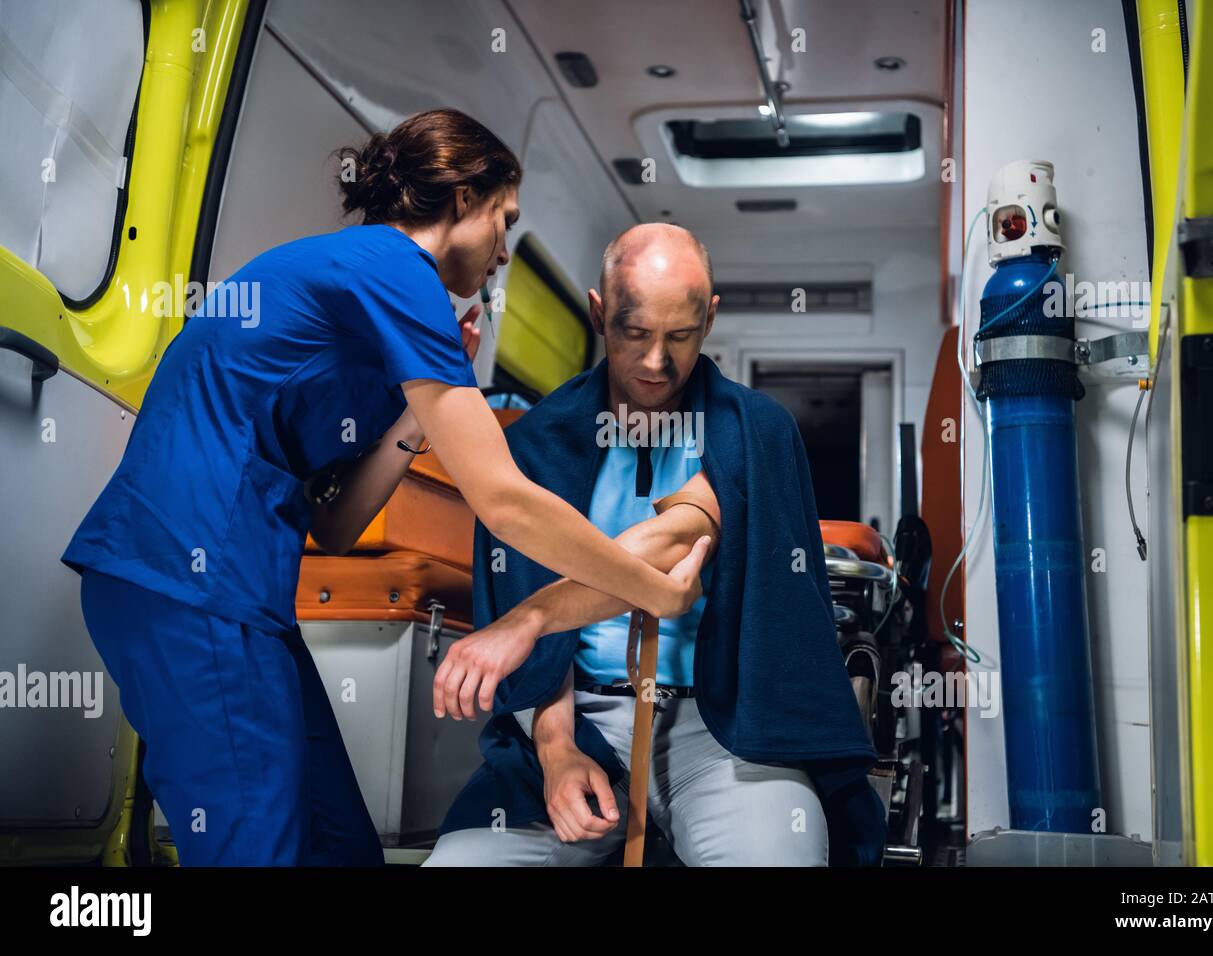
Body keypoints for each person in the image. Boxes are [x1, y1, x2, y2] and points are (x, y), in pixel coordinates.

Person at [61, 110, 708, 867]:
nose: (504, 251)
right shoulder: (392, 267)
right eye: (506, 221)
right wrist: (650, 589)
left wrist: (413, 412)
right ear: (463, 201)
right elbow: (502, 500)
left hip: (235, 599)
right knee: (255, 852)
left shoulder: (379, 315)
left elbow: (334, 526)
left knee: (342, 848)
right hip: (184, 579)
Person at [423, 224, 887, 867]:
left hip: (727, 731)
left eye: (681, 336)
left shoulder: (757, 432)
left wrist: (526, 621)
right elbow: (533, 620)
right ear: (597, 313)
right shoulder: (535, 444)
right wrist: (557, 752)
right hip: (577, 720)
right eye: (634, 333)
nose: (655, 363)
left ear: (710, 318)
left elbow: (677, 534)